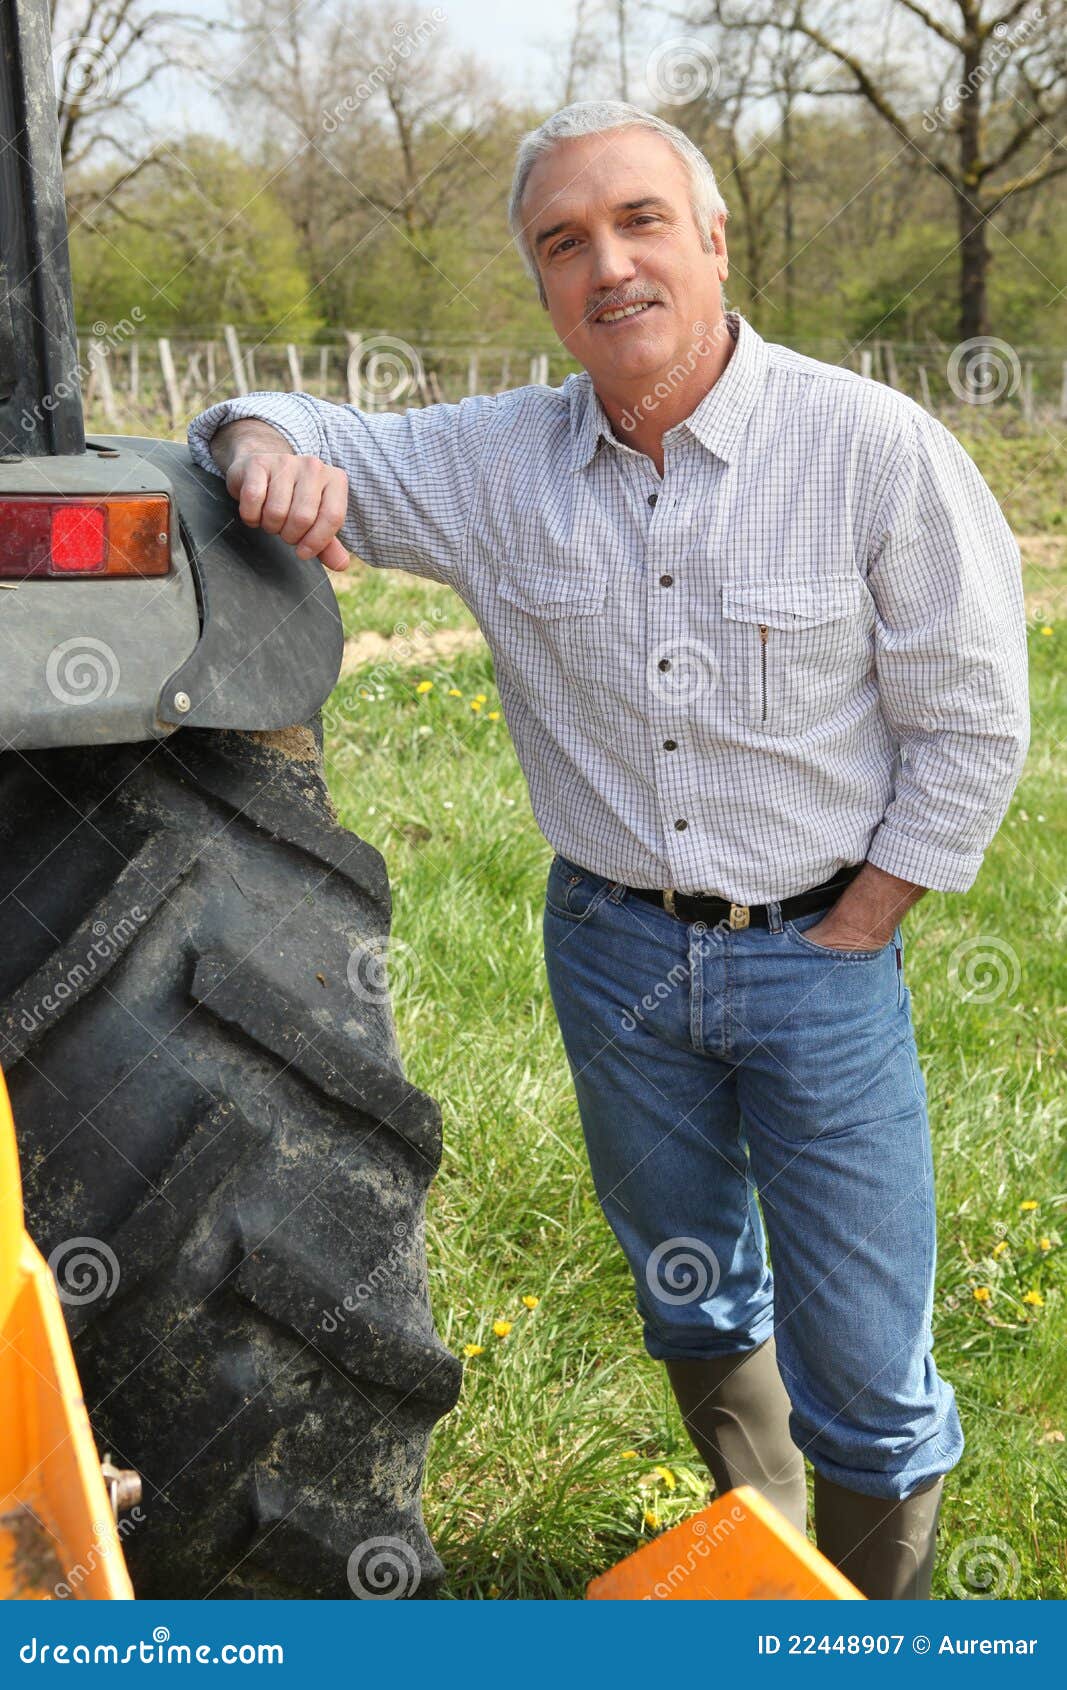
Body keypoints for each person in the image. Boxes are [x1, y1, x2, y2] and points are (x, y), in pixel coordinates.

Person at [187, 100, 1031, 1599]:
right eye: (563, 243)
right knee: (689, 1278)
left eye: (642, 222)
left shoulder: (868, 445)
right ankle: (760, 1552)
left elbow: (972, 718)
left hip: (822, 954)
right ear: (540, 286)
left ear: (714, 240)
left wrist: (865, 916)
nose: (610, 265)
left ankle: (878, 1620)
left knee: (869, 1347)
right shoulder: (494, 459)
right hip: (615, 952)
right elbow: (295, 426)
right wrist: (261, 442)